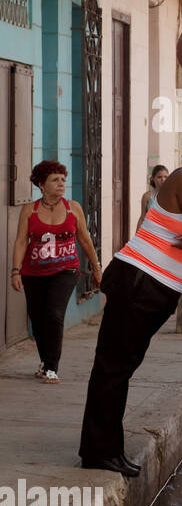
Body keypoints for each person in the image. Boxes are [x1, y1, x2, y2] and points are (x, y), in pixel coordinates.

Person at [78, 124, 182, 476]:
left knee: (122, 366)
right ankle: (98, 451)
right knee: (113, 367)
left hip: (154, 289)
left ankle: (106, 447)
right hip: (139, 281)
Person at [9, 161, 103, 384]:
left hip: (66, 269)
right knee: (38, 318)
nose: (61, 183)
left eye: (63, 179)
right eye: (55, 179)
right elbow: (21, 241)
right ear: (41, 184)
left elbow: (86, 240)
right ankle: (44, 362)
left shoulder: (73, 208)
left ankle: (52, 367)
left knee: (54, 312)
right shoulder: (29, 210)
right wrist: (16, 271)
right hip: (34, 272)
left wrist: (97, 268)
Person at [135, 164, 169, 233]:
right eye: (159, 177)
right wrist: (137, 234)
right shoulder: (147, 196)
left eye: (165, 177)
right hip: (150, 232)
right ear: (153, 178)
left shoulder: (171, 195)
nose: (163, 180)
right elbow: (142, 217)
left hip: (166, 233)